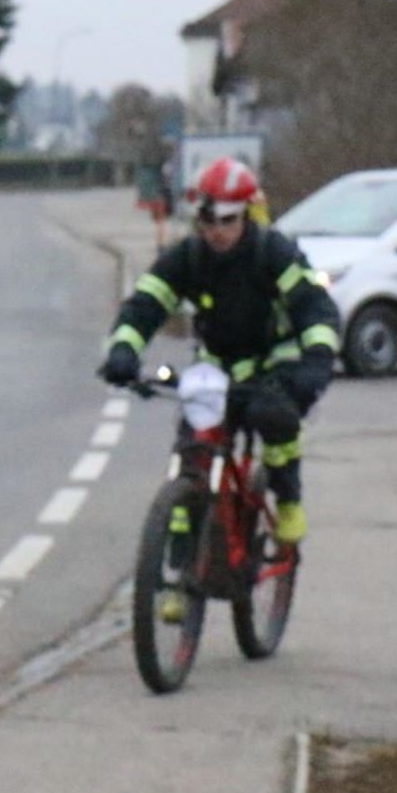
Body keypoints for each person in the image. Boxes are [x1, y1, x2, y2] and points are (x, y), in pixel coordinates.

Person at [97, 156, 338, 544]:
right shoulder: (189, 258)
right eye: (209, 222)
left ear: (245, 214)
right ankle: (178, 555)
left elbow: (314, 307)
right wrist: (123, 351)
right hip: (218, 365)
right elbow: (145, 305)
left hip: (273, 360)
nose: (218, 232)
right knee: (194, 443)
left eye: (228, 220)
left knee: (273, 417)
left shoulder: (272, 252)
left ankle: (288, 501)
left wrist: (317, 361)